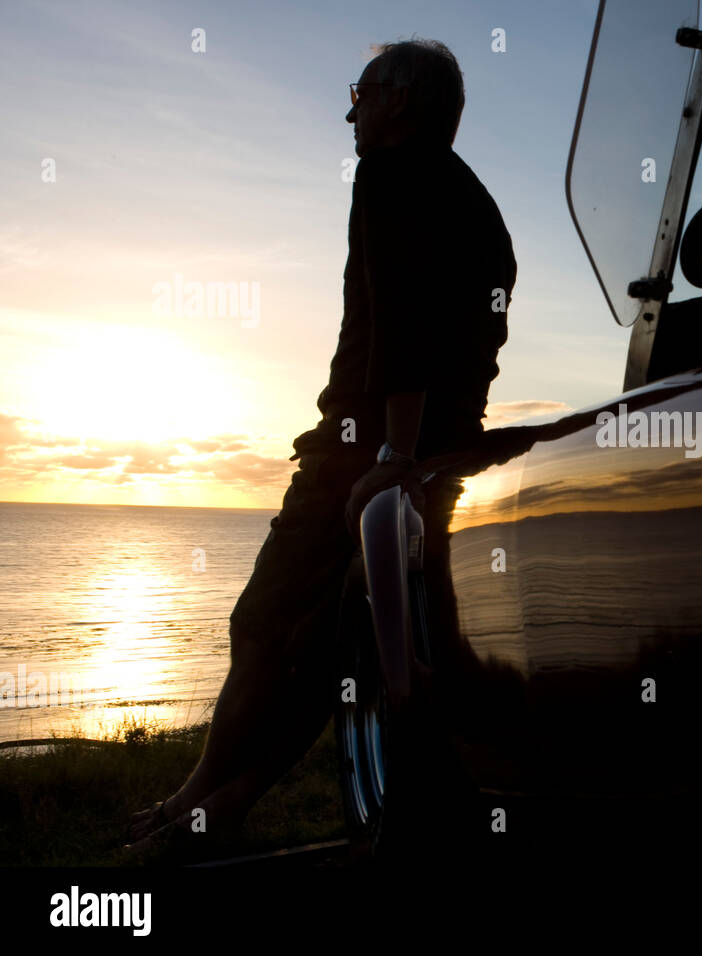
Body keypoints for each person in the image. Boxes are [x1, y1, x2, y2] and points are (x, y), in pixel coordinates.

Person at [126, 37, 517, 852]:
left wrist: (388, 457)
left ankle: (201, 801)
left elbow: (402, 323)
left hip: (364, 453)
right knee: (335, 645)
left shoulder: (389, 173)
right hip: (441, 456)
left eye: (362, 90)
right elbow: (477, 341)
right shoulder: (481, 206)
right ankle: (215, 802)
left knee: (263, 623)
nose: (351, 108)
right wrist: (427, 454)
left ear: (401, 98)